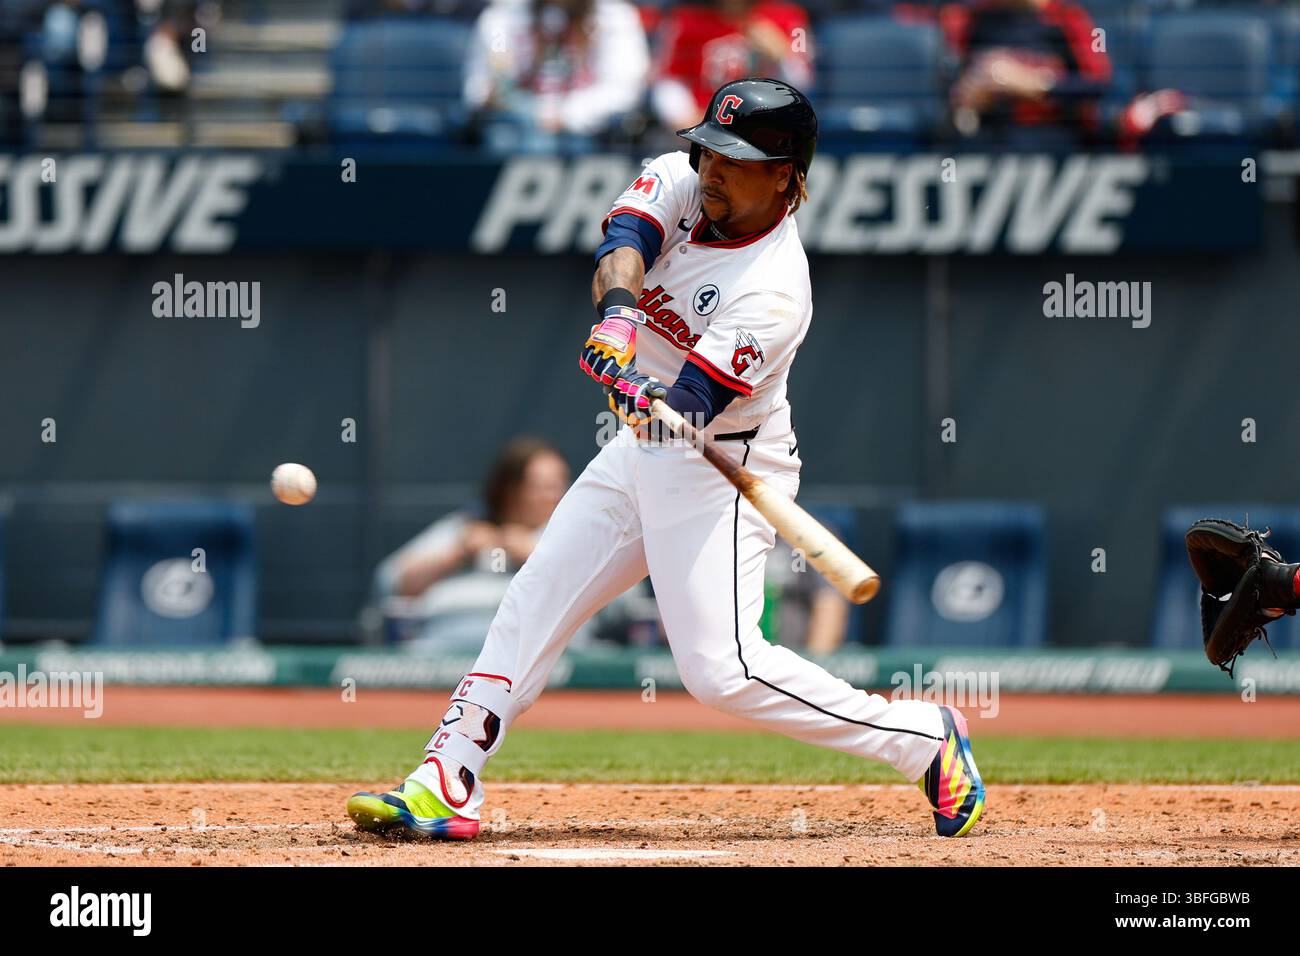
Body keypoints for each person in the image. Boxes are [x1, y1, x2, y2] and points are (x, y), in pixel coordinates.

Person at [347, 78, 985, 842]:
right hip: (642, 447)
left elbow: (687, 407)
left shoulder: (776, 292)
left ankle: (923, 738)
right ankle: (446, 778)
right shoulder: (686, 178)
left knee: (723, 671)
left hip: (721, 461)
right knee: (535, 597)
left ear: (785, 174)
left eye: (736, 159)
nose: (711, 169)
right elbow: (623, 244)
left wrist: (643, 393)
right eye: (709, 148)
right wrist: (618, 322)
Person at [370, 436, 570, 650]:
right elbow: (389, 583)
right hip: (442, 649)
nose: (554, 496)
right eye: (541, 487)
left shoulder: (567, 535)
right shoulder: (465, 527)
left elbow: (603, 601)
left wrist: (535, 554)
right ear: (509, 490)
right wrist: (459, 553)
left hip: (535, 651)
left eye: (559, 486)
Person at [463, 0, 650, 154]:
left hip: (590, 131)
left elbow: (625, 88)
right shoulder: (502, 18)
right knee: (516, 139)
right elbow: (484, 87)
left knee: (570, 144)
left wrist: (567, 114)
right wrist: (527, 107)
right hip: (517, 125)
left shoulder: (615, 17)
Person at [942, 0, 1110, 149]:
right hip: (987, 136)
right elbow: (949, 85)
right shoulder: (973, 17)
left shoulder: (1066, 16)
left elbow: (1098, 84)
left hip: (1054, 137)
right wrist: (969, 96)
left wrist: (1034, 84)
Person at [650, 0, 813, 136]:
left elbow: (803, 81)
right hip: (703, 128)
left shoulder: (789, 16)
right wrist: (685, 118)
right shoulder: (684, 19)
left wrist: (781, 54)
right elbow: (667, 79)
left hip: (765, 127)